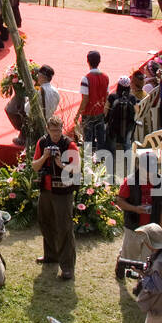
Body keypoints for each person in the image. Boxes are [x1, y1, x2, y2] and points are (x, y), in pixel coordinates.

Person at [33, 116, 78, 280]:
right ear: (48, 129)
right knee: (46, 223)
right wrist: (44, 157)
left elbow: (77, 168)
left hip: (63, 193)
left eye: (59, 130)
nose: (56, 134)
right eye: (53, 131)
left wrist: (61, 165)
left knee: (64, 228)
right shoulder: (42, 142)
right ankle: (50, 255)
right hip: (46, 190)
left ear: (62, 129)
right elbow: (35, 166)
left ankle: (67, 267)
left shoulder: (69, 144)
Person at [114, 151, 162, 279]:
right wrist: (135, 209)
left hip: (152, 229)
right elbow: (120, 201)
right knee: (129, 255)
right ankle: (120, 265)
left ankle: (143, 282)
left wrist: (160, 229)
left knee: (148, 258)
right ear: (140, 167)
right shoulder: (130, 181)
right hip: (134, 226)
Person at [75, 50, 109, 156]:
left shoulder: (86, 79)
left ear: (87, 61)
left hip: (89, 113)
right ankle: (101, 160)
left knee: (88, 139)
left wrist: (77, 115)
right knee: (100, 138)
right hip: (100, 111)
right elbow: (106, 96)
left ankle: (88, 162)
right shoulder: (105, 77)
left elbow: (85, 99)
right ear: (99, 61)